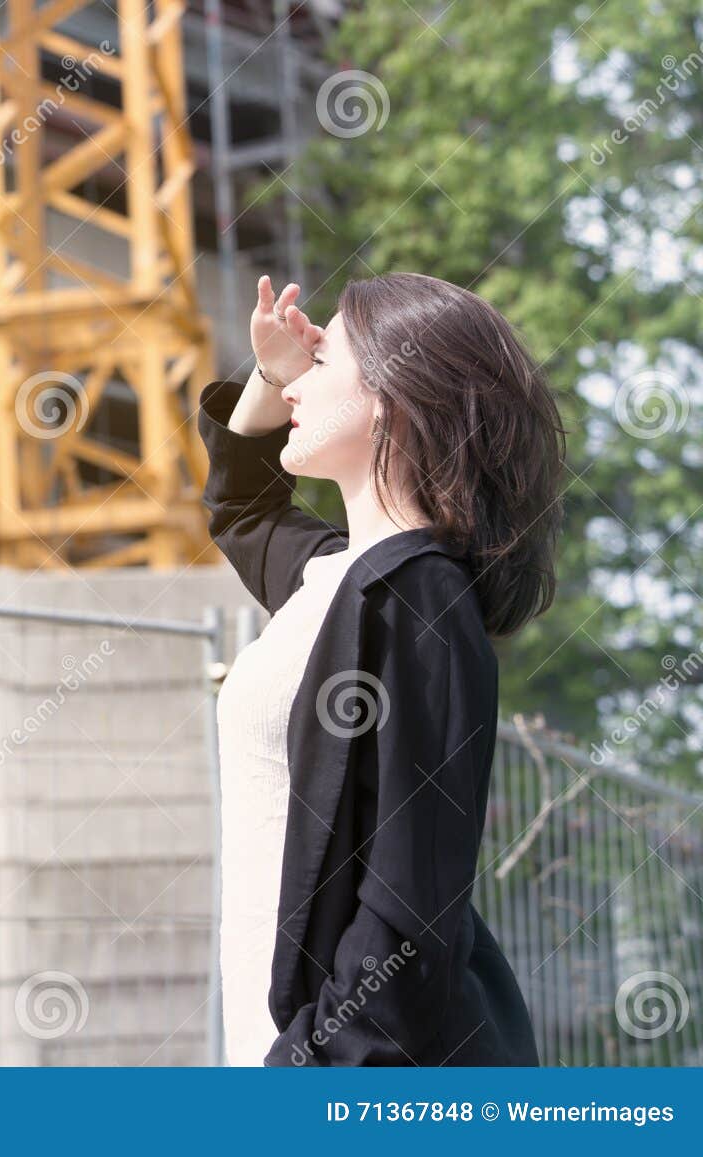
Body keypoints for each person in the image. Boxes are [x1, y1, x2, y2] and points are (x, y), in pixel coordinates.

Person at [199, 272, 564, 1065]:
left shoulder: (420, 593)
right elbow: (243, 508)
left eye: (323, 358)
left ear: (393, 398)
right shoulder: (333, 578)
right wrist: (270, 376)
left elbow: (408, 909)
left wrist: (313, 1072)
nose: (301, 370)